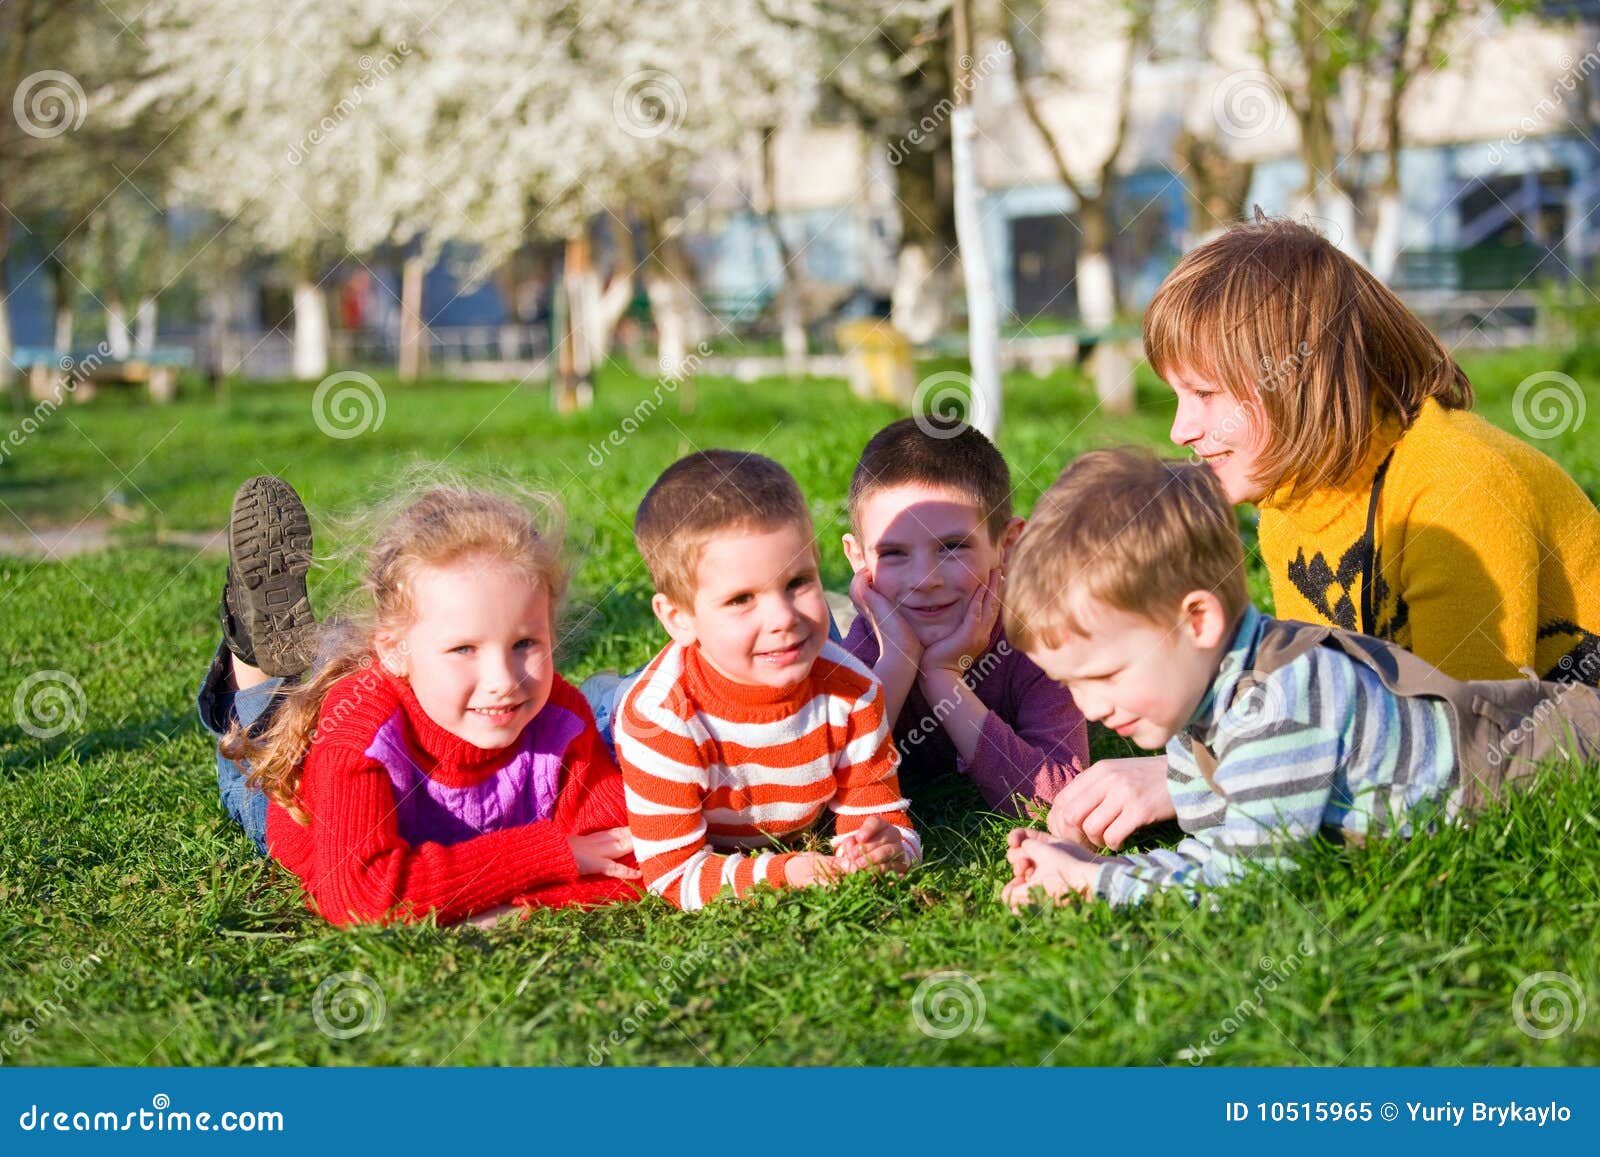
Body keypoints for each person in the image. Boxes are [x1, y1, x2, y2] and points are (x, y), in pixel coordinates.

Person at [1052, 215, 1600, 852]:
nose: (1180, 429)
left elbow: (1458, 750)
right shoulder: (1291, 496)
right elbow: (1319, 695)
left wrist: (1186, 784)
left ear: (1298, 382)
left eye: (1203, 392)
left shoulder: (1456, 486)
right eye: (1177, 395)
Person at [999, 448, 1600, 909]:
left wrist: (1094, 882)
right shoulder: (1200, 698)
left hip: (1543, 757)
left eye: (1104, 674)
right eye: (1070, 684)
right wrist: (1076, 864)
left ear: (1198, 620)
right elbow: (1224, 839)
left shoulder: (1279, 705)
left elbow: (1247, 880)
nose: (1090, 706)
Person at [198, 474, 640, 926]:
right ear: (393, 650)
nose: (503, 680)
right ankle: (249, 652)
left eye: (524, 643)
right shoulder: (362, 731)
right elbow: (362, 897)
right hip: (296, 803)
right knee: (261, 741)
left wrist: (515, 909)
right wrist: (550, 856)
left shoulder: (561, 719)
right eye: (464, 649)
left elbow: (633, 861)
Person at [615, 450, 919, 911]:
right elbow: (673, 873)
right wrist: (786, 873)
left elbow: (881, 817)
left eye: (797, 582)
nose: (782, 617)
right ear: (678, 618)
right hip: (617, 732)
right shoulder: (659, 722)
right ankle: (605, 691)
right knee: (608, 706)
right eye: (741, 599)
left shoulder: (853, 692)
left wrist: (883, 848)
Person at [840, 416, 1087, 816]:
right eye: (893, 553)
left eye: (952, 547)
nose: (925, 581)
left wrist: (943, 680)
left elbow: (1060, 801)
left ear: (1007, 545)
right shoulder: (872, 640)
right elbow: (821, 787)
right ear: (858, 558)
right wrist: (899, 658)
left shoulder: (1038, 639)